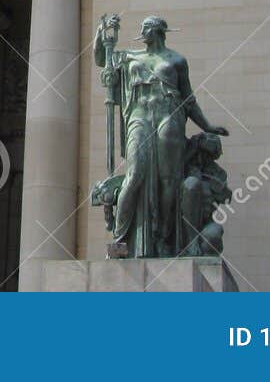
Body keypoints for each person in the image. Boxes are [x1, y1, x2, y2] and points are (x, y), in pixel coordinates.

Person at [94, 15, 227, 258]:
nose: (142, 31)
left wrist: (207, 125)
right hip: (139, 117)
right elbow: (102, 59)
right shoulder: (131, 57)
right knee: (134, 175)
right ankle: (120, 238)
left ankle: (164, 236)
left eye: (146, 28)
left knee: (170, 179)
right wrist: (102, 33)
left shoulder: (176, 60)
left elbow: (188, 99)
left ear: (158, 31)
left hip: (170, 116)